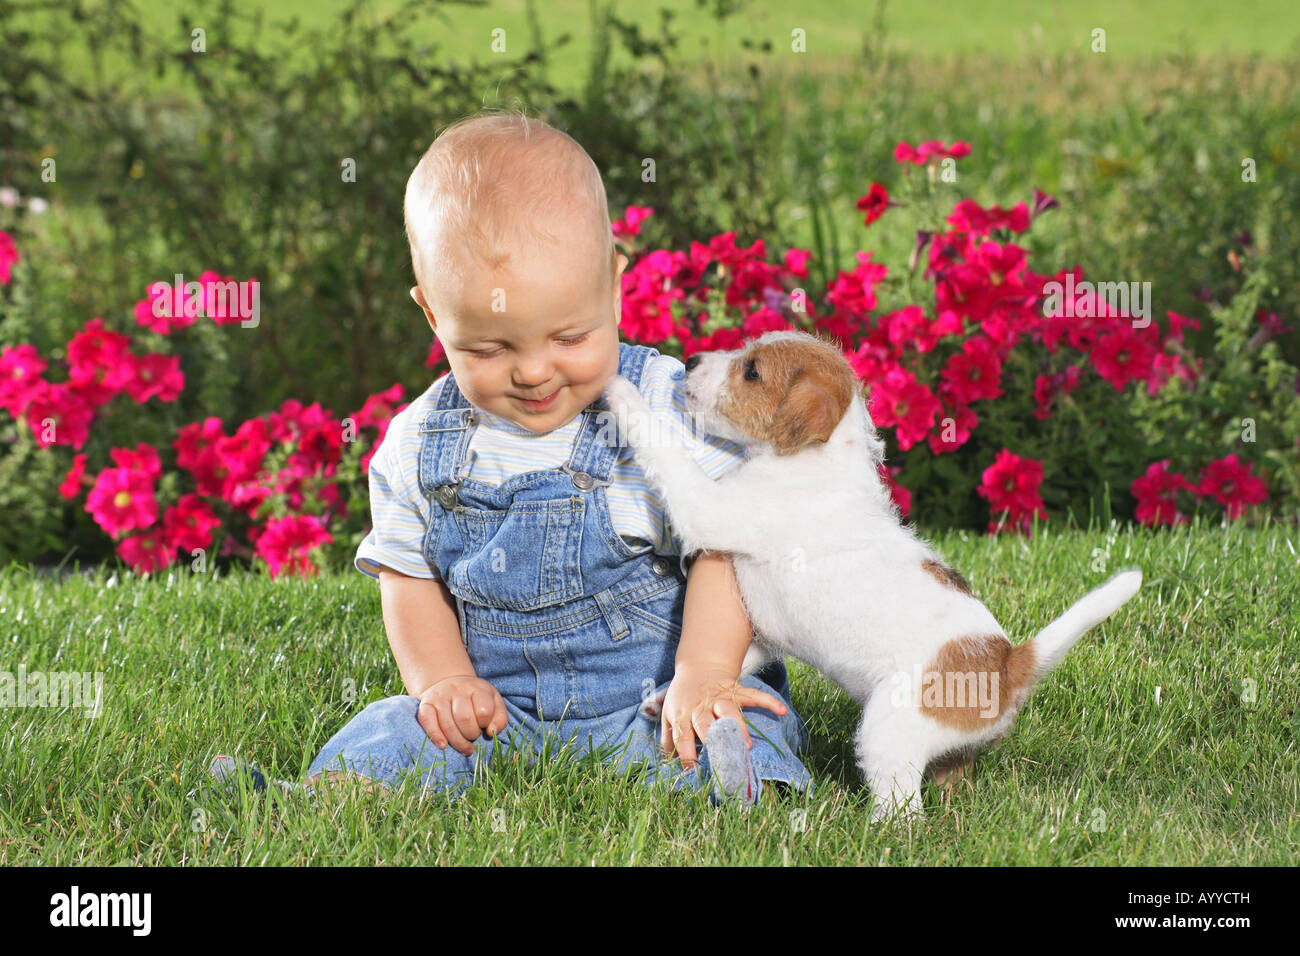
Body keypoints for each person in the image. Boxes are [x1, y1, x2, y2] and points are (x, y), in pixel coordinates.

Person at [210, 109, 813, 808]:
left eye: (569, 334)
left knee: (731, 726)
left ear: (614, 283)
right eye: (489, 349)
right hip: (500, 717)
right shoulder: (419, 445)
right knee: (398, 729)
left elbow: (726, 548)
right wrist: (442, 683)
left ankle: (742, 787)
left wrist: (706, 668)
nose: (533, 372)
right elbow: (408, 577)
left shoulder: (663, 410)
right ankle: (331, 794)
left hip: (660, 705)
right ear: (434, 316)